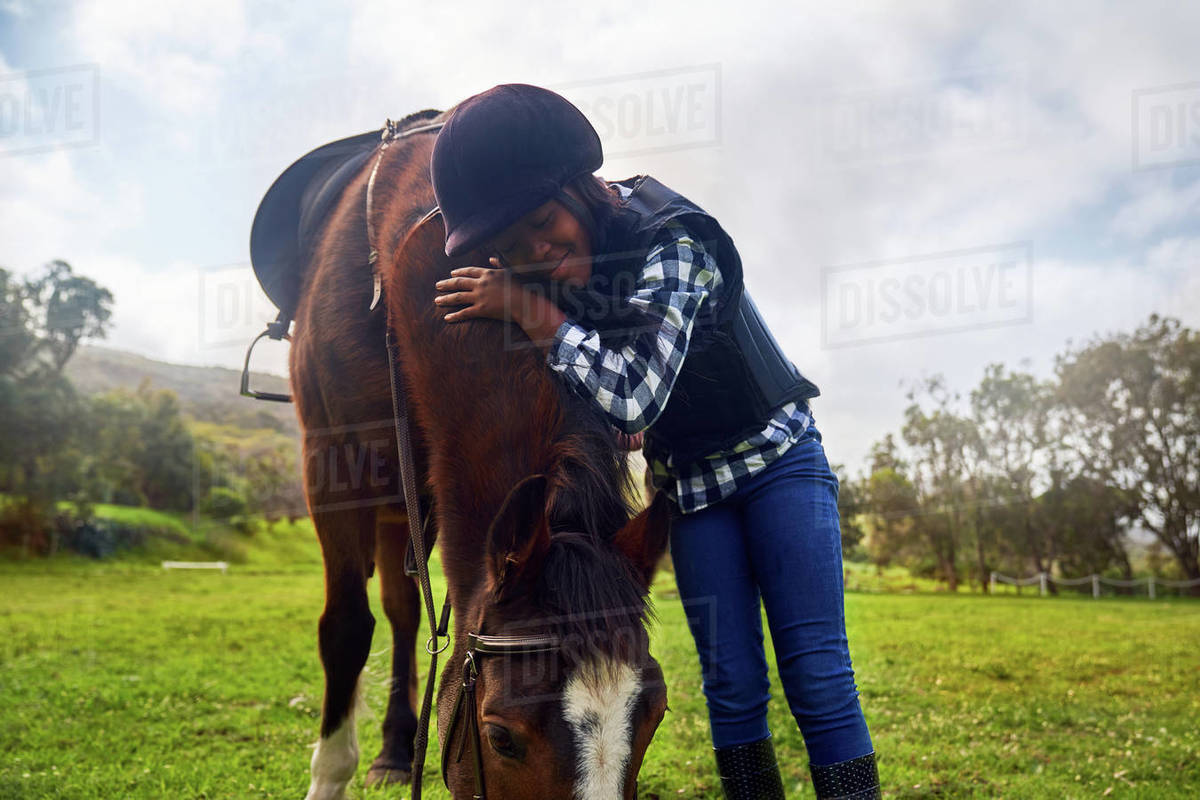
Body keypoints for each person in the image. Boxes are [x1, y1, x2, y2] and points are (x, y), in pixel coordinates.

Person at [429, 83, 880, 800]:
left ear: (582, 190)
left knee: (818, 673)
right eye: (513, 250)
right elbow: (614, 403)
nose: (538, 251)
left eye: (545, 223)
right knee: (730, 684)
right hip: (691, 489)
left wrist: (529, 310)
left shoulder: (674, 240)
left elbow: (636, 391)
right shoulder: (565, 277)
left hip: (778, 465)